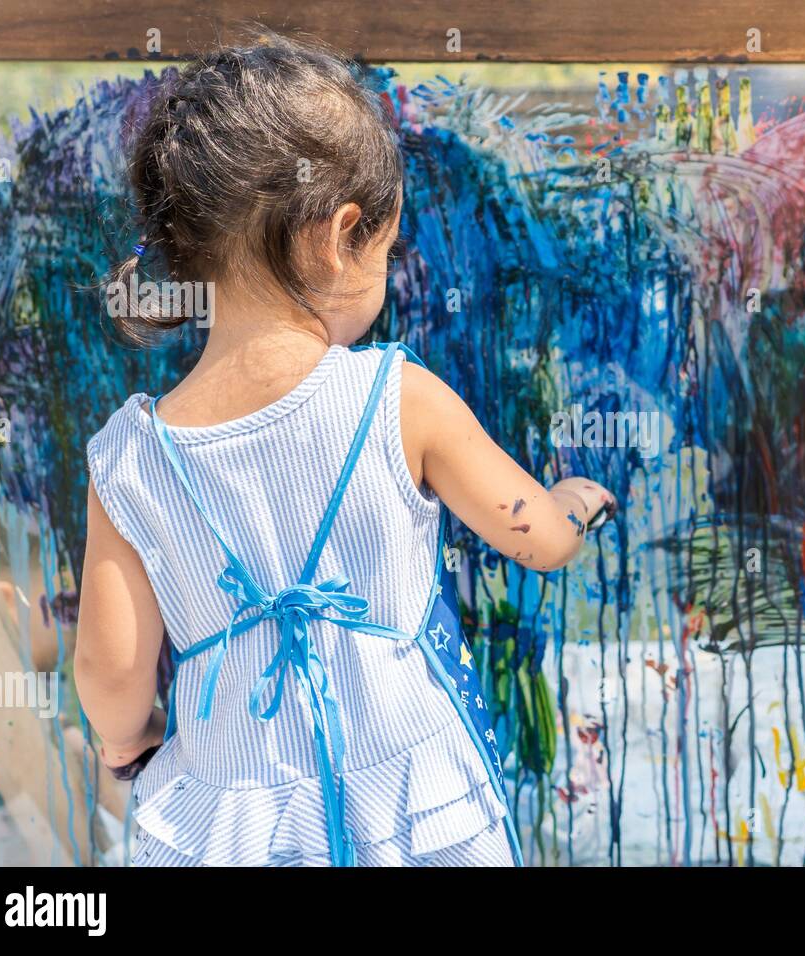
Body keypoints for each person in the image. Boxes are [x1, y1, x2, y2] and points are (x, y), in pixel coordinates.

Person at [74, 30, 614, 867]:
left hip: (232, 826)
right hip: (412, 816)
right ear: (341, 236)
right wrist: (577, 500)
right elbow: (537, 538)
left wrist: (127, 739)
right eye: (386, 252)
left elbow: (110, 674)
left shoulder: (129, 458)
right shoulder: (398, 397)